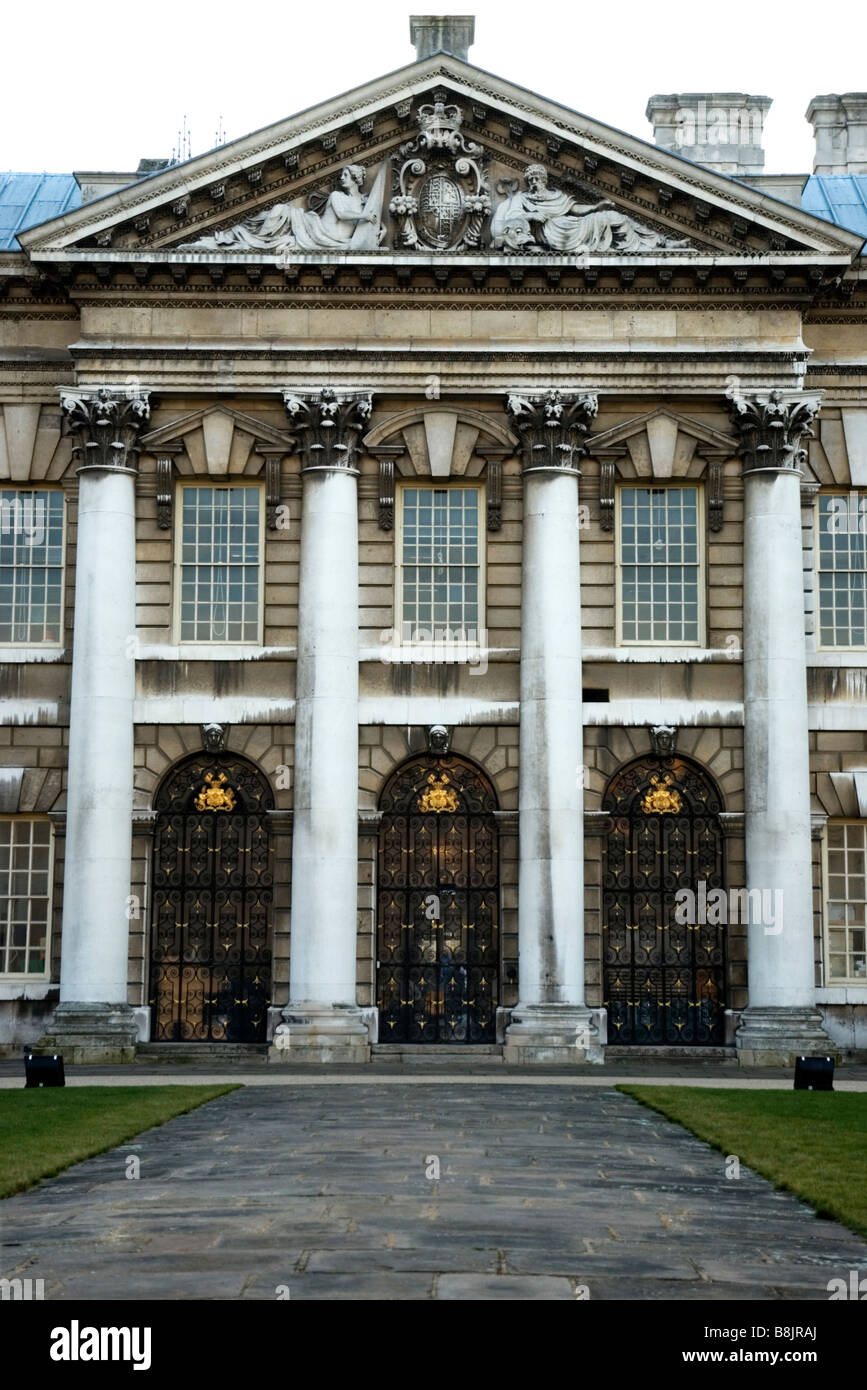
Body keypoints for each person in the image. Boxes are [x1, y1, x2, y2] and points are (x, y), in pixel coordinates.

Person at [490, 163, 688, 254]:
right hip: (550, 235)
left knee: (612, 216)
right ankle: (652, 247)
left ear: (544, 179)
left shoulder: (556, 196)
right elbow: (513, 218)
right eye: (530, 179)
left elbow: (575, 209)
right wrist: (532, 215)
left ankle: (658, 244)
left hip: (573, 226)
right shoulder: (521, 198)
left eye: (537, 178)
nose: (533, 182)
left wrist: (596, 206)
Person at [182, 164, 385, 252]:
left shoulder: (363, 203)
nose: (341, 178)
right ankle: (246, 238)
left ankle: (248, 238)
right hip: (313, 230)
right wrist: (365, 216)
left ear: (356, 179)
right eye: (341, 175)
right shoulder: (337, 196)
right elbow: (342, 214)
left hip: (329, 240)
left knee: (280, 211)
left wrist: (381, 229)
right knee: (279, 209)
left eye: (346, 175)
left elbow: (373, 223)